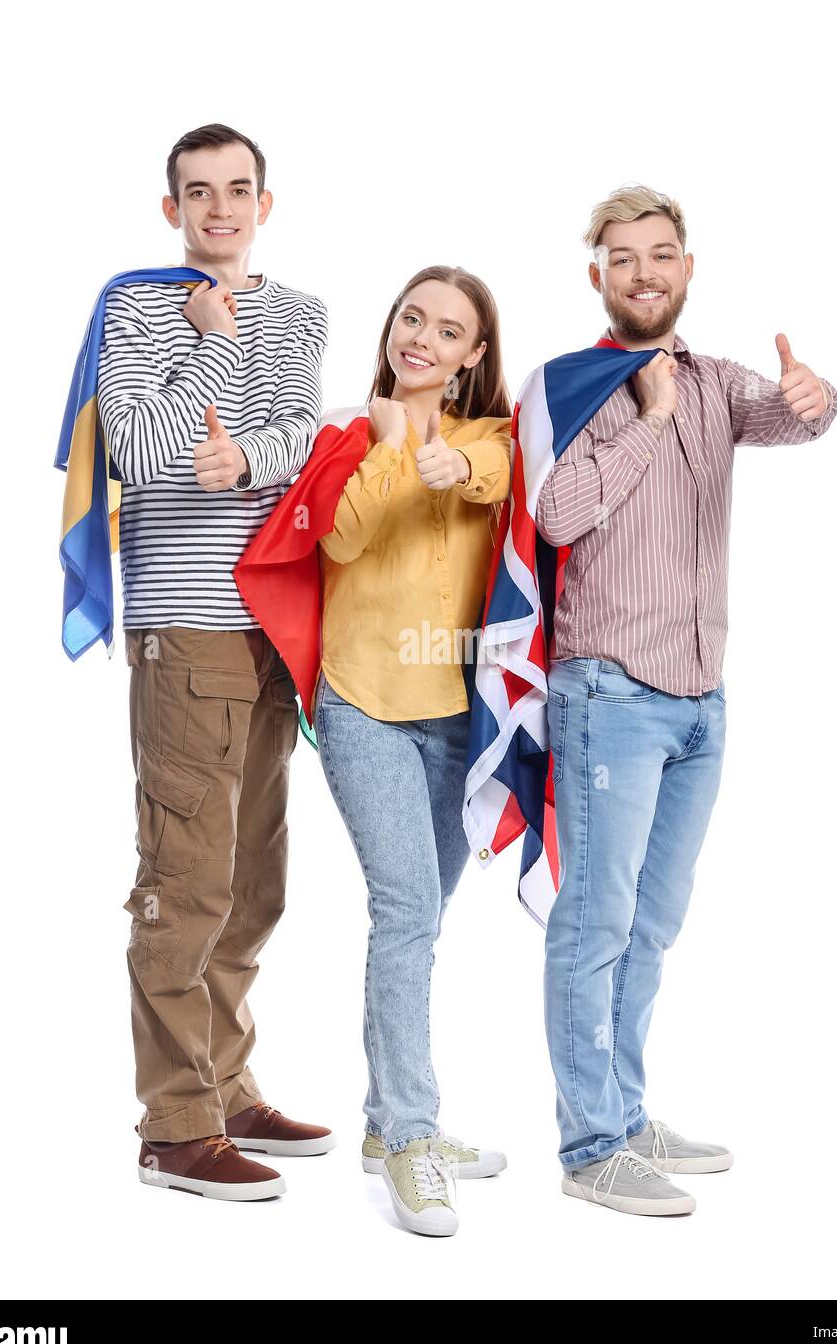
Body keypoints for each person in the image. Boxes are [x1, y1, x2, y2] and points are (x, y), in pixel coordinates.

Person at [535, 185, 837, 1216]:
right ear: (599, 278)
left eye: (660, 254)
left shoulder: (719, 381)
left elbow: (793, 420)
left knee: (654, 920)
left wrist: (816, 399)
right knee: (596, 921)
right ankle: (589, 1145)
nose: (644, 272)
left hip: (701, 699)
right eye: (622, 258)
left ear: (687, 267)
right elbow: (558, 513)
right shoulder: (574, 388)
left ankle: (624, 1112)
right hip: (608, 691)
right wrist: (642, 423)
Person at [99, 122, 335, 1202]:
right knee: (185, 880)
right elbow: (137, 452)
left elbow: (306, 435)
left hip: (273, 623)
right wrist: (208, 341)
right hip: (182, 627)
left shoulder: (301, 314)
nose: (221, 210)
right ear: (172, 210)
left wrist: (245, 455)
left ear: (265, 203)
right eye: (199, 193)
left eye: (239, 190)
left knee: (252, 883)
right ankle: (175, 1124)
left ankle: (228, 1085)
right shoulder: (138, 307)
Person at [314, 267, 513, 1236]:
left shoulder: (493, 443)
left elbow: (502, 479)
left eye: (447, 330)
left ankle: (384, 1119)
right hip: (362, 706)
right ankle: (414, 1135)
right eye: (410, 319)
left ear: (476, 353)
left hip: (453, 722)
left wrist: (449, 464)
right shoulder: (351, 435)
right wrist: (394, 447)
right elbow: (343, 542)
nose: (422, 338)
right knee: (403, 911)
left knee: (419, 919)